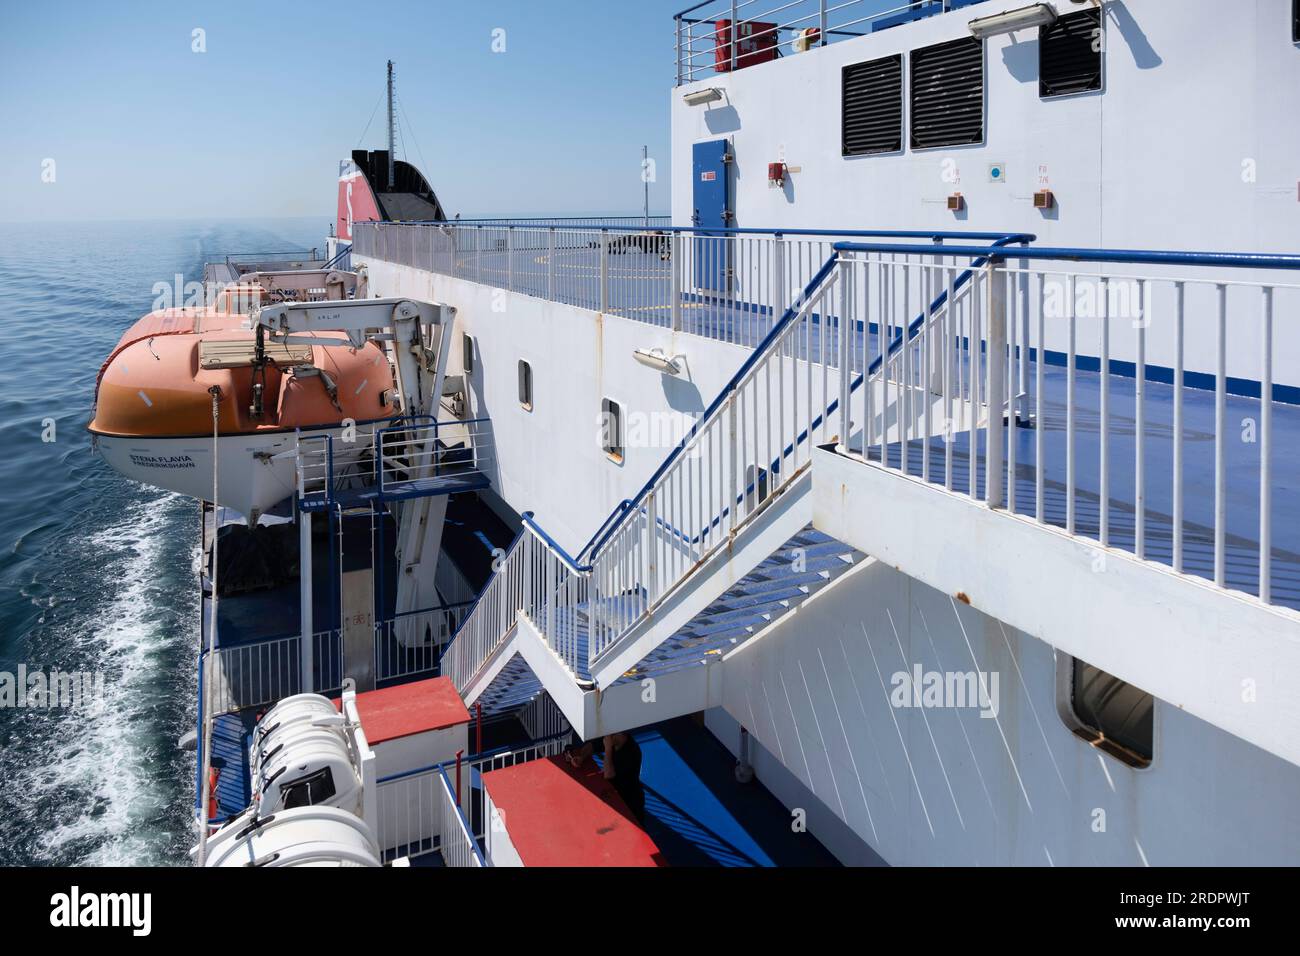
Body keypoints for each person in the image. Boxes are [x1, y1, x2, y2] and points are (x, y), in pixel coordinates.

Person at [565, 731, 645, 824]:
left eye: (608, 736)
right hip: (614, 795)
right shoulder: (612, 739)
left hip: (630, 800)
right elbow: (592, 746)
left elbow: (608, 774)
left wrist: (608, 748)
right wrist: (581, 757)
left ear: (619, 735)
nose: (605, 738)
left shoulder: (631, 753)